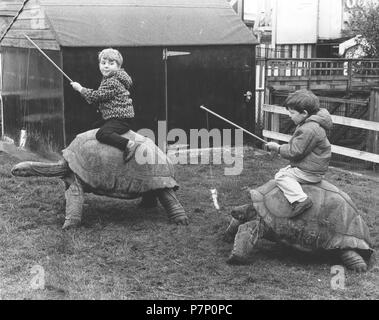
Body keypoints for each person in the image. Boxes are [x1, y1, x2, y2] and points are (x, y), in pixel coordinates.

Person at [266, 89, 333, 218]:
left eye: (292, 112)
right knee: (286, 170)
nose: (290, 116)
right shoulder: (311, 123)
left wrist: (278, 148)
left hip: (311, 171)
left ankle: (301, 200)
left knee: (280, 176)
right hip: (312, 166)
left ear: (304, 113)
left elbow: (294, 151)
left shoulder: (309, 129)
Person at [71, 48, 136, 162]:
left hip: (121, 119)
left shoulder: (113, 81)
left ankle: (128, 145)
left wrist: (80, 89)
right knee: (94, 126)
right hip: (115, 116)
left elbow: (97, 96)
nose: (106, 66)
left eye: (111, 63)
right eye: (103, 63)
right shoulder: (110, 78)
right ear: (99, 64)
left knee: (102, 134)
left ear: (118, 67)